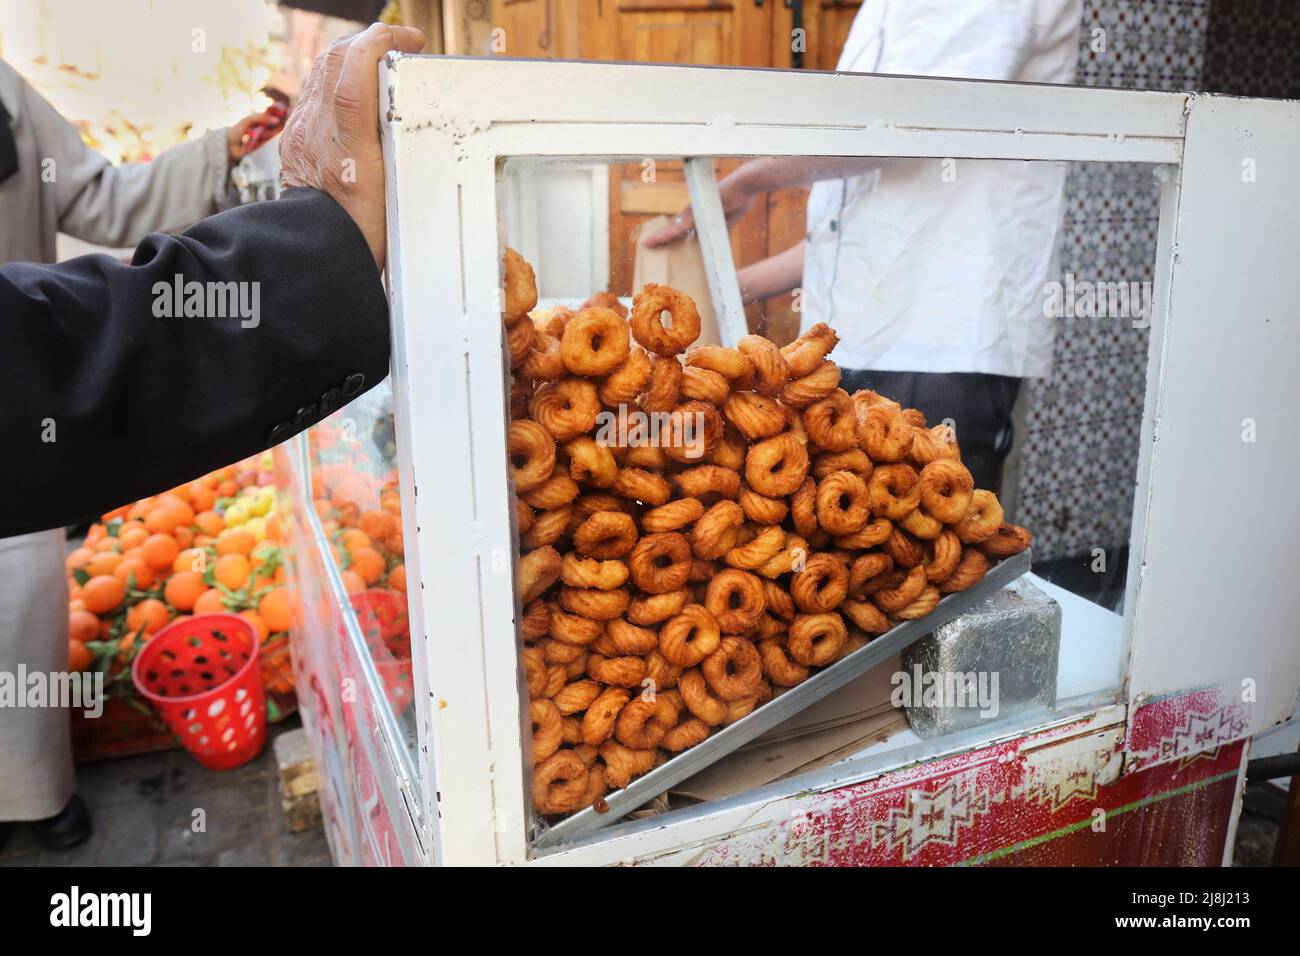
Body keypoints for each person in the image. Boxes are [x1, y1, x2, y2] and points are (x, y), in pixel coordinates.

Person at [0, 22, 425, 852]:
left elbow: (102, 199)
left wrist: (226, 155)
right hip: (37, 411)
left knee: (21, 643)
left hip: (37, 449)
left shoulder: (10, 92)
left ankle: (39, 799)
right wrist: (319, 245)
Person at [646, 0, 1082, 492]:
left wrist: (753, 177)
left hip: (939, 342)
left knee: (933, 542)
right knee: (857, 543)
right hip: (856, 339)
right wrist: (718, 288)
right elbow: (864, 228)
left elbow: (911, 124)